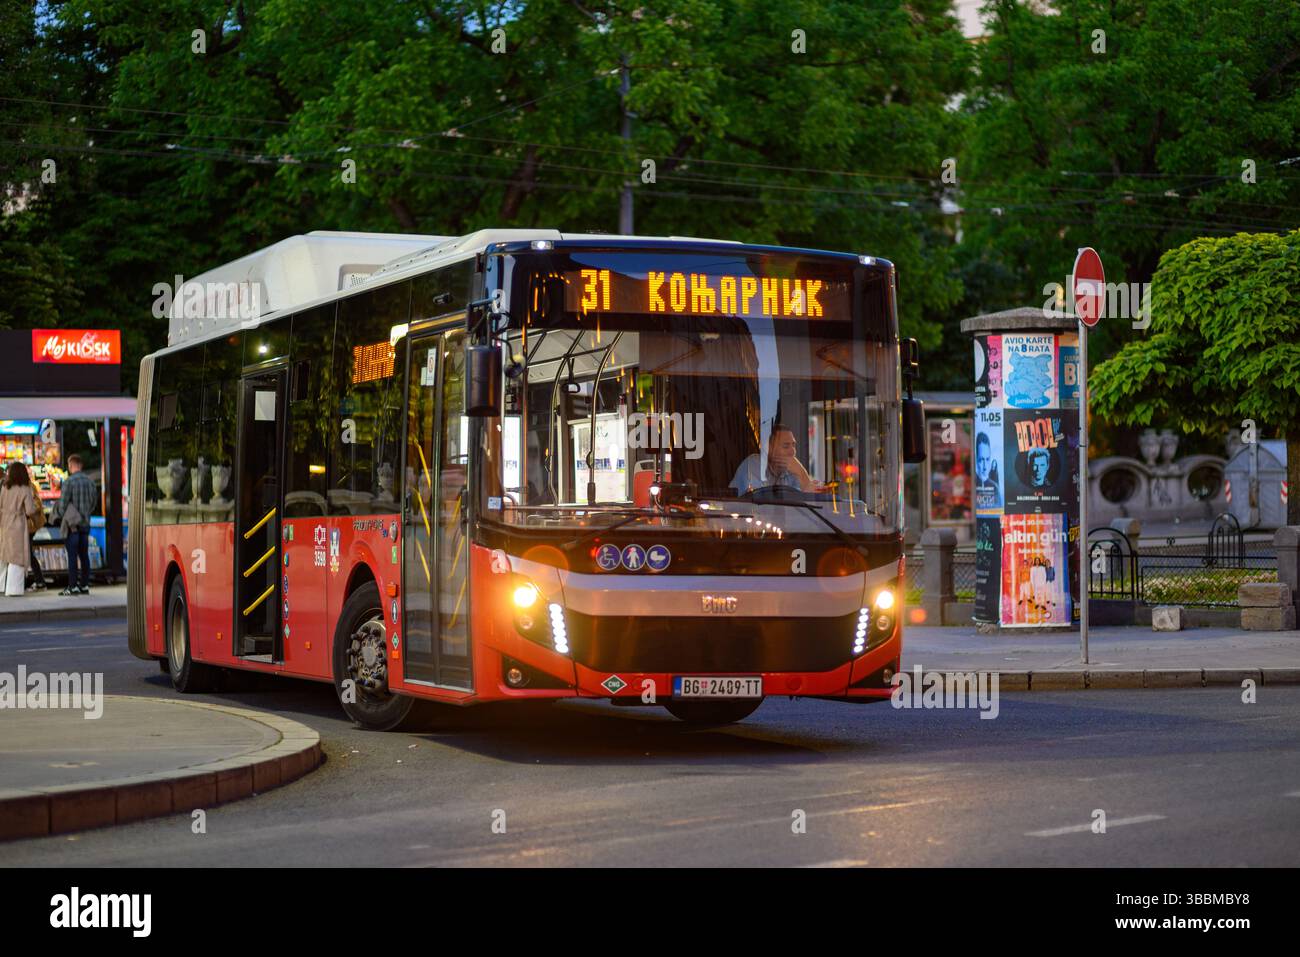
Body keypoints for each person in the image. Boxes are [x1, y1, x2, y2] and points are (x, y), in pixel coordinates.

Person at [730, 425, 822, 495]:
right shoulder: (753, 466)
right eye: (786, 446)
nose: (792, 452)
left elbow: (808, 505)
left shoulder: (792, 472)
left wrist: (801, 473)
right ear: (769, 448)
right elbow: (762, 507)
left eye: (793, 445)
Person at [52, 454, 96, 596]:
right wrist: (86, 513)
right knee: (84, 556)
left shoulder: (69, 482)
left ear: (71, 465)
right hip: (85, 524)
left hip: (72, 526)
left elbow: (63, 504)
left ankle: (72, 586)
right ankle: (84, 585)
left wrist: (58, 514)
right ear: (81, 465)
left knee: (72, 556)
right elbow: (94, 502)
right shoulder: (90, 482)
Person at [0, 462, 38, 598]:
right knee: (17, 558)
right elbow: (29, 510)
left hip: (4, 524)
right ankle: (13, 589)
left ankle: (1, 587)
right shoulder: (25, 488)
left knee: (3, 556)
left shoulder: (5, 486)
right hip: (17, 525)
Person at [27, 472, 48, 590]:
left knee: (28, 553)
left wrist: (25, 512)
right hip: (30, 525)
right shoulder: (28, 486)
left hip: (30, 525)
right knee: (28, 553)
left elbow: (35, 505)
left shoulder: (28, 486)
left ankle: (40, 581)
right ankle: (39, 581)